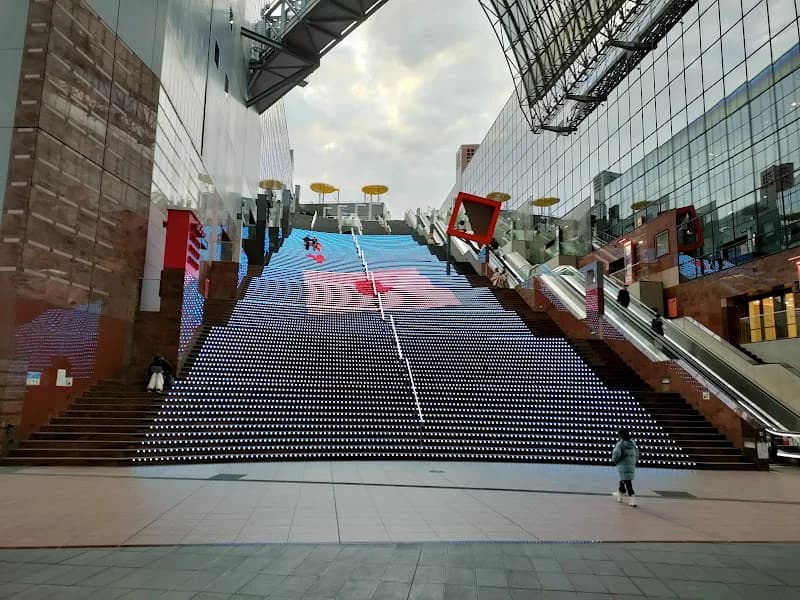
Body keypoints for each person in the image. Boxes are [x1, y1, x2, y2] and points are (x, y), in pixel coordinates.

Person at [611, 428, 639, 506]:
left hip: (623, 464)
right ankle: (620, 492)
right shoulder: (632, 443)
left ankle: (632, 497)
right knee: (624, 478)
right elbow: (637, 453)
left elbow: (616, 454)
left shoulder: (620, 444)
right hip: (631, 464)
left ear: (620, 435)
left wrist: (615, 461)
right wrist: (634, 461)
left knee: (627, 481)